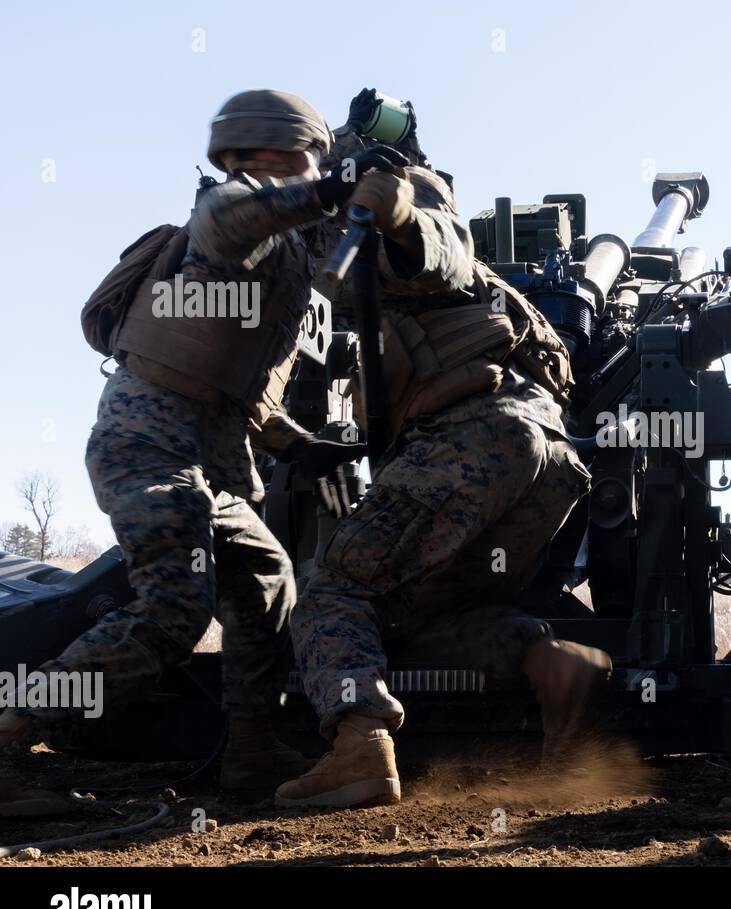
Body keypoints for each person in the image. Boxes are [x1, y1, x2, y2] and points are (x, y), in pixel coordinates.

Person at [0, 90, 402, 792]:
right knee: (173, 608)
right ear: (271, 154)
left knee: (267, 581)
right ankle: (13, 725)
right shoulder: (227, 214)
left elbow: (246, 393)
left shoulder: (289, 260)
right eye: (300, 158)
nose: (305, 168)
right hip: (146, 445)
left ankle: (249, 746)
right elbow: (236, 213)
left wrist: (303, 446)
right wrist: (330, 187)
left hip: (209, 461)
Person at [275, 91, 607, 809]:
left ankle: (360, 743)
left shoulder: (410, 194)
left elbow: (439, 248)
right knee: (422, 621)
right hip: (543, 455)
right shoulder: (467, 276)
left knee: (333, 591)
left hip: (468, 442)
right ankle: (551, 661)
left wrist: (394, 213)